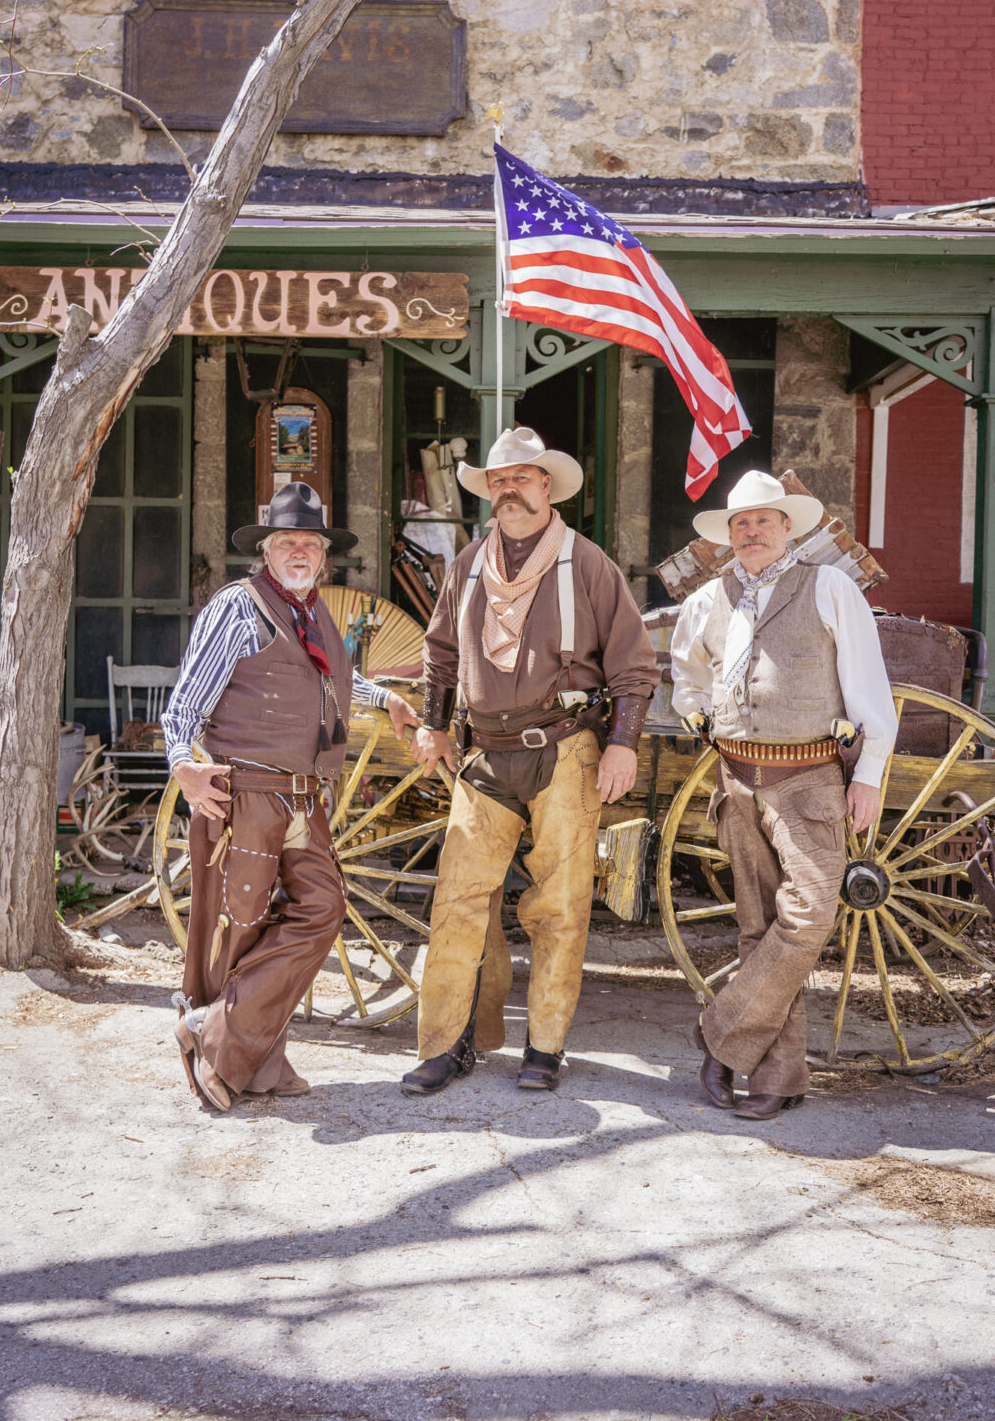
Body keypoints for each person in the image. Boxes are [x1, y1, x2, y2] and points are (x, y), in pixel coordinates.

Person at [401, 427, 659, 1096]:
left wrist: (624, 742)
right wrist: (432, 726)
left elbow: (634, 665)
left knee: (561, 907)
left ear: (547, 486)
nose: (509, 490)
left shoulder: (589, 565)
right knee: (457, 901)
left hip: (564, 748)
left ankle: (544, 1048)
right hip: (485, 754)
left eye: (522, 478)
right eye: (499, 480)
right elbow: (439, 654)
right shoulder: (466, 565)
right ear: (489, 490)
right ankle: (448, 1043)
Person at [161, 482, 417, 1111]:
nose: (301, 551)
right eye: (289, 542)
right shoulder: (237, 608)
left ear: (323, 555)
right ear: (267, 551)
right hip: (244, 793)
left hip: (303, 800)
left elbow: (334, 681)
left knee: (323, 910)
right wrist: (182, 767)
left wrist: (386, 700)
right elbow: (185, 702)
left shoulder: (312, 613)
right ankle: (244, 1060)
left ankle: (218, 1034)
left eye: (311, 542)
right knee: (238, 929)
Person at [670, 470, 898, 1120]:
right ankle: (780, 1077)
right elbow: (686, 668)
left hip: (808, 783)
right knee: (756, 930)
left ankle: (719, 1037)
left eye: (763, 521)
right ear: (730, 535)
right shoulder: (711, 599)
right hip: (737, 781)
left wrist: (869, 774)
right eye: (741, 524)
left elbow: (868, 684)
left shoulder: (829, 588)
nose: (751, 532)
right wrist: (694, 710)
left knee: (804, 921)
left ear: (788, 527)